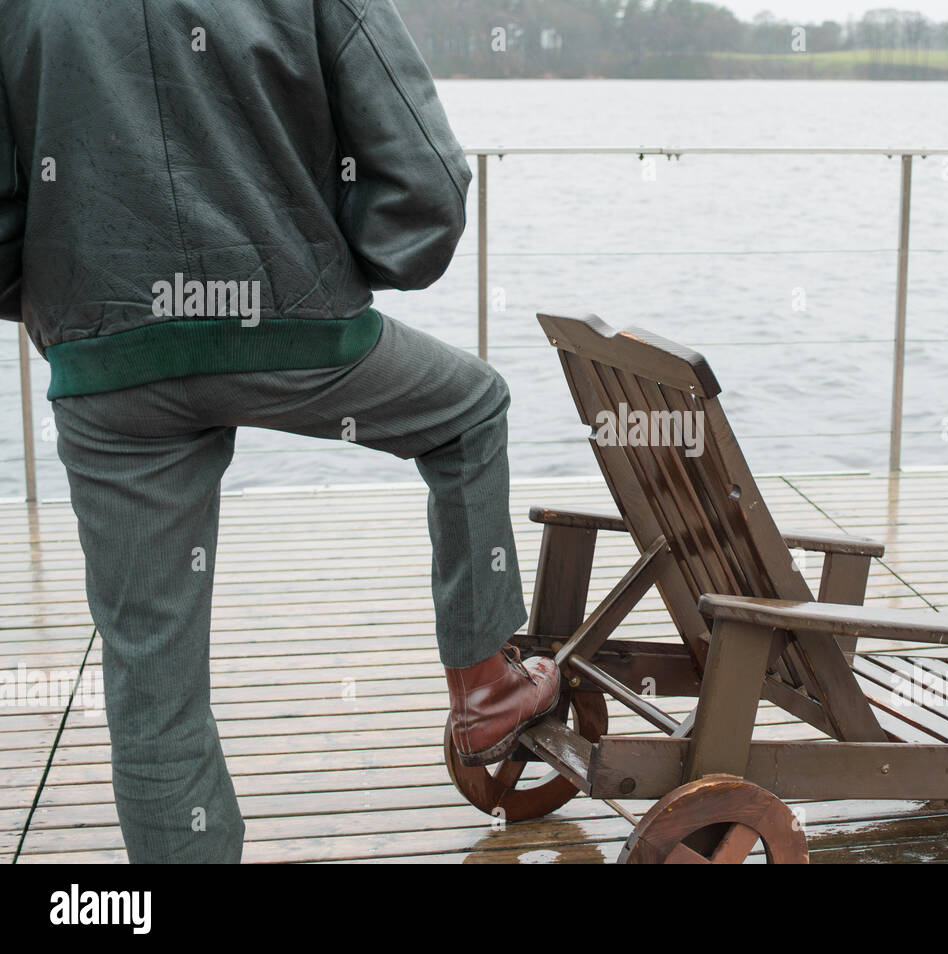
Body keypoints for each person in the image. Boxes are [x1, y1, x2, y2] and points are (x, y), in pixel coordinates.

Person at [0, 0, 559, 863]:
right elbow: (426, 179)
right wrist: (345, 269)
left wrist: (60, 313)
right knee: (469, 410)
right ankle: (485, 689)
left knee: (151, 678)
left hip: (109, 366)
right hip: (296, 329)